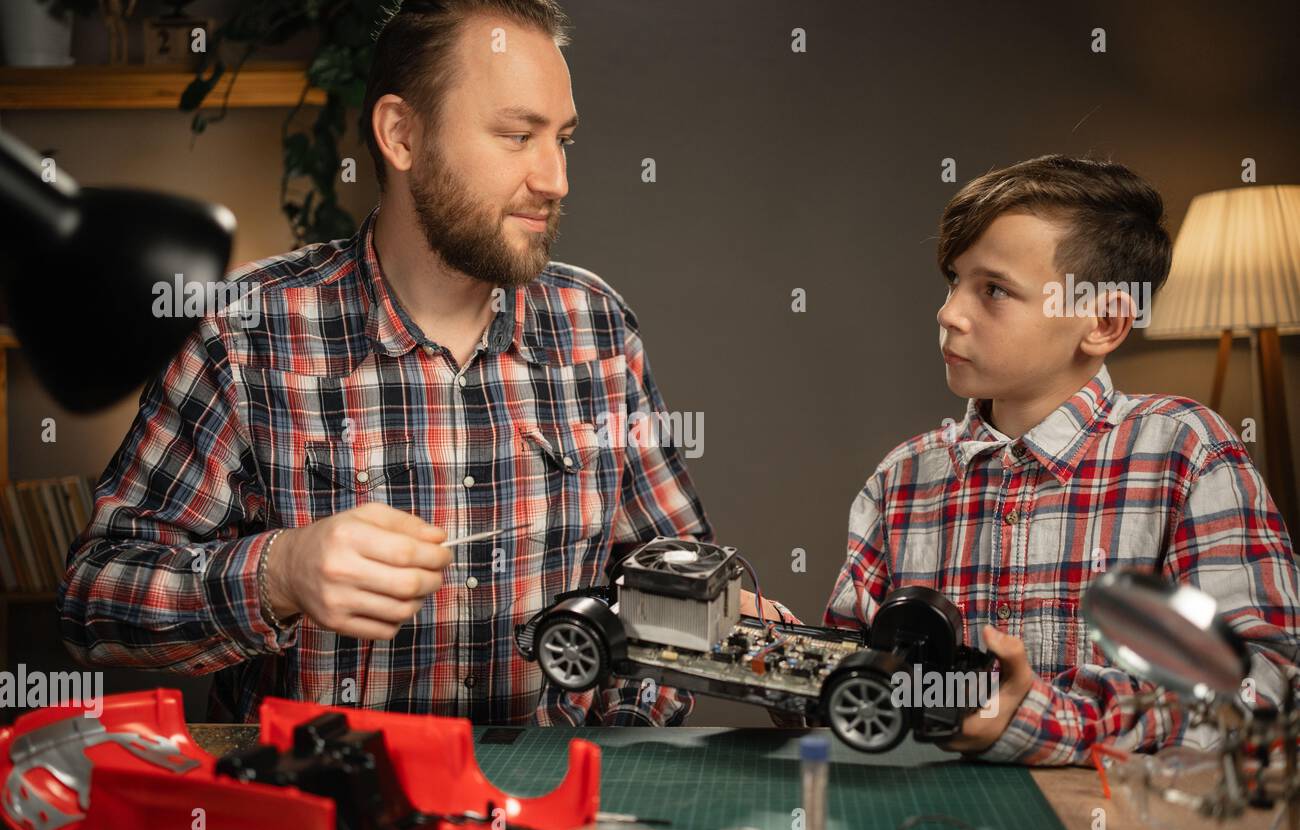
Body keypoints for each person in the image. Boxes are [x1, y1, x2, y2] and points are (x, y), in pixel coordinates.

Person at [57, 0, 789, 726]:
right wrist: (278, 573)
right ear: (402, 135)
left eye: (561, 139)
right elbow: (95, 601)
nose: (555, 178)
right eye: (516, 136)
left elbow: (673, 587)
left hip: (554, 827)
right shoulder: (246, 331)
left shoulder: (597, 328)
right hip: (331, 821)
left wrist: (618, 759)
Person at [824, 154, 1300, 765]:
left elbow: (1265, 683)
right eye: (953, 281)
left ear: (1102, 321)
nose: (948, 313)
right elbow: (852, 701)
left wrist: (1043, 721)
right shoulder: (902, 479)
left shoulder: (1186, 454)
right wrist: (766, 651)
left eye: (993, 289)